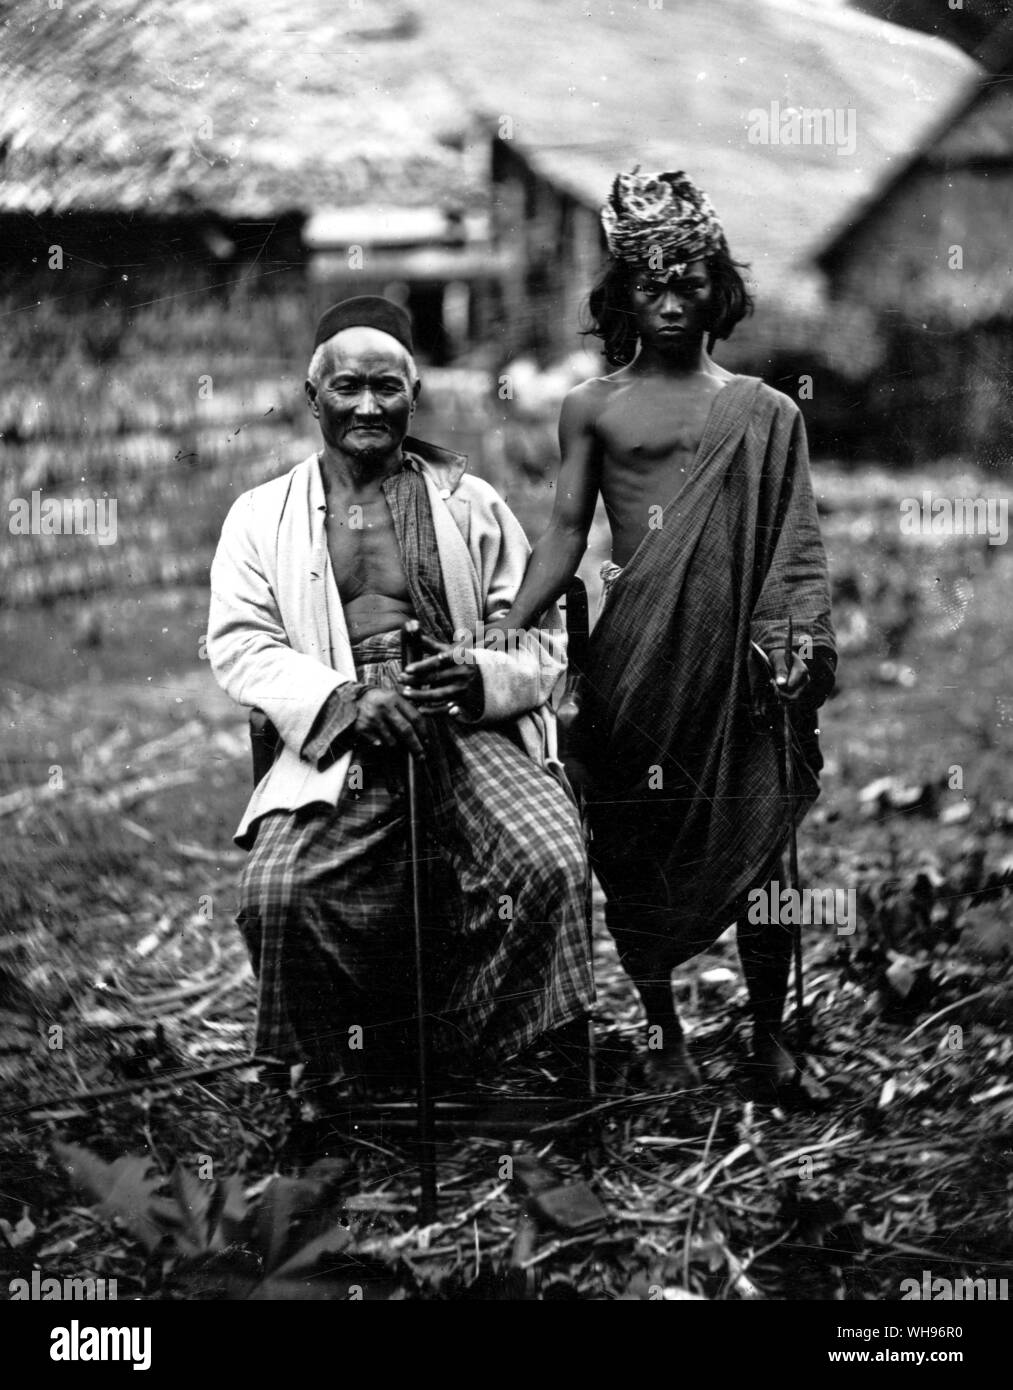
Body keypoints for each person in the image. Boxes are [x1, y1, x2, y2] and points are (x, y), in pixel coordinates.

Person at [483, 170, 837, 1088]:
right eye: (652, 284)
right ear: (621, 296)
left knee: (764, 851)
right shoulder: (592, 406)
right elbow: (566, 534)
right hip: (635, 661)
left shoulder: (767, 413)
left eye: (689, 283)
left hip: (740, 671)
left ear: (718, 291)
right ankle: (665, 1035)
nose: (672, 302)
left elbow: (794, 548)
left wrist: (792, 650)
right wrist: (506, 634)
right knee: (631, 847)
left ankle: (766, 1039)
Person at [207, 295, 592, 1085]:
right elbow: (241, 644)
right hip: (341, 733)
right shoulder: (260, 518)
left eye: (388, 387)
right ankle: (341, 1069)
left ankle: (475, 1054)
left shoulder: (469, 503)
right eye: (347, 387)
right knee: (279, 894)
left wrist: (477, 672)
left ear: (415, 397)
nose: (368, 405)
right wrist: (344, 701)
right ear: (314, 398)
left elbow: (539, 637)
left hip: (462, 725)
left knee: (549, 863)